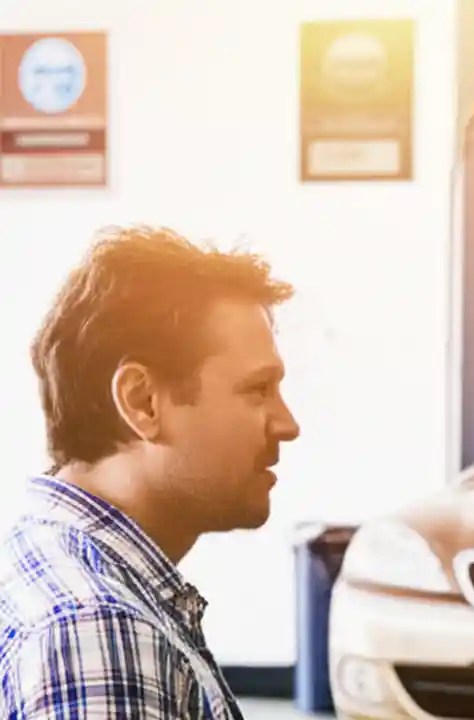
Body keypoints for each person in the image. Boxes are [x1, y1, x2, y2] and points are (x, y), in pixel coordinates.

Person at [0, 226, 301, 718]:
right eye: (257, 390)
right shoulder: (98, 630)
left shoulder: (50, 559)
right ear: (142, 401)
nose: (288, 425)